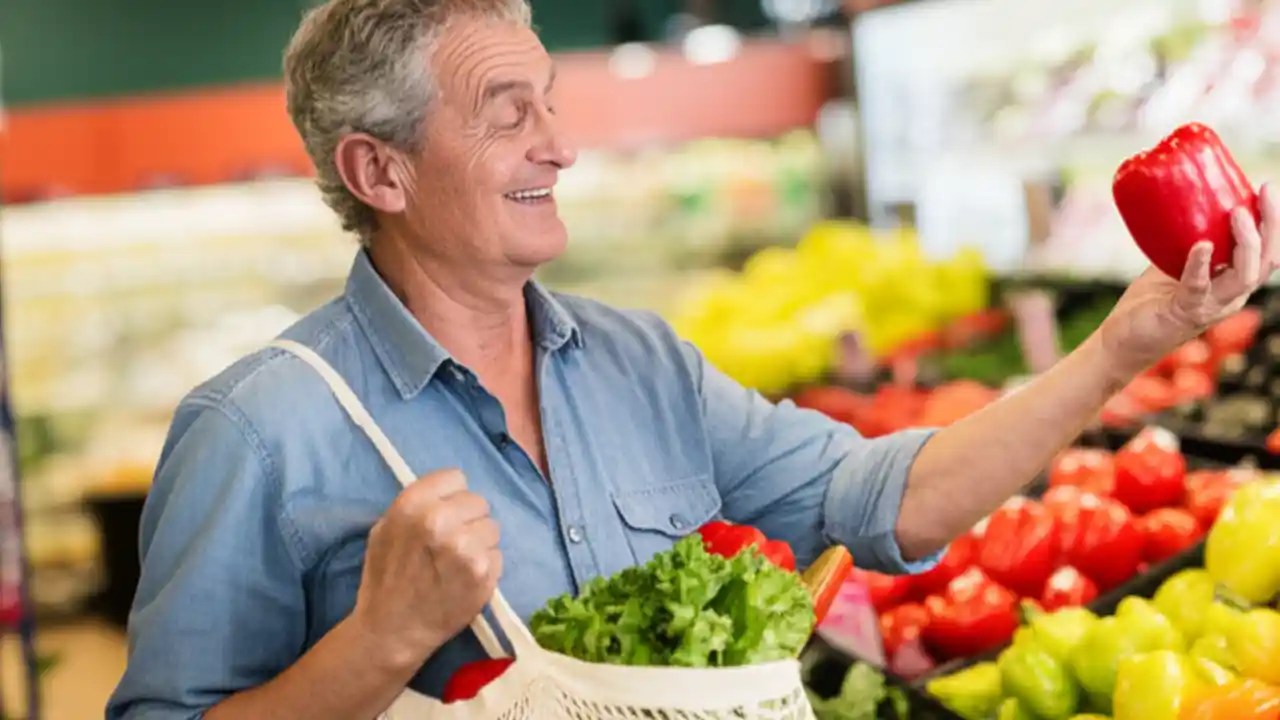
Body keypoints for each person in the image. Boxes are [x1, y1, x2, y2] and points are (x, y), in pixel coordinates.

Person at [106, 0, 1279, 718]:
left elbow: (898, 503)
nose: (558, 146)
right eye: (506, 113)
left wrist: (1131, 340)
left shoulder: (639, 366)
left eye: (550, 104)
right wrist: (382, 641)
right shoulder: (258, 431)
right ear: (379, 172)